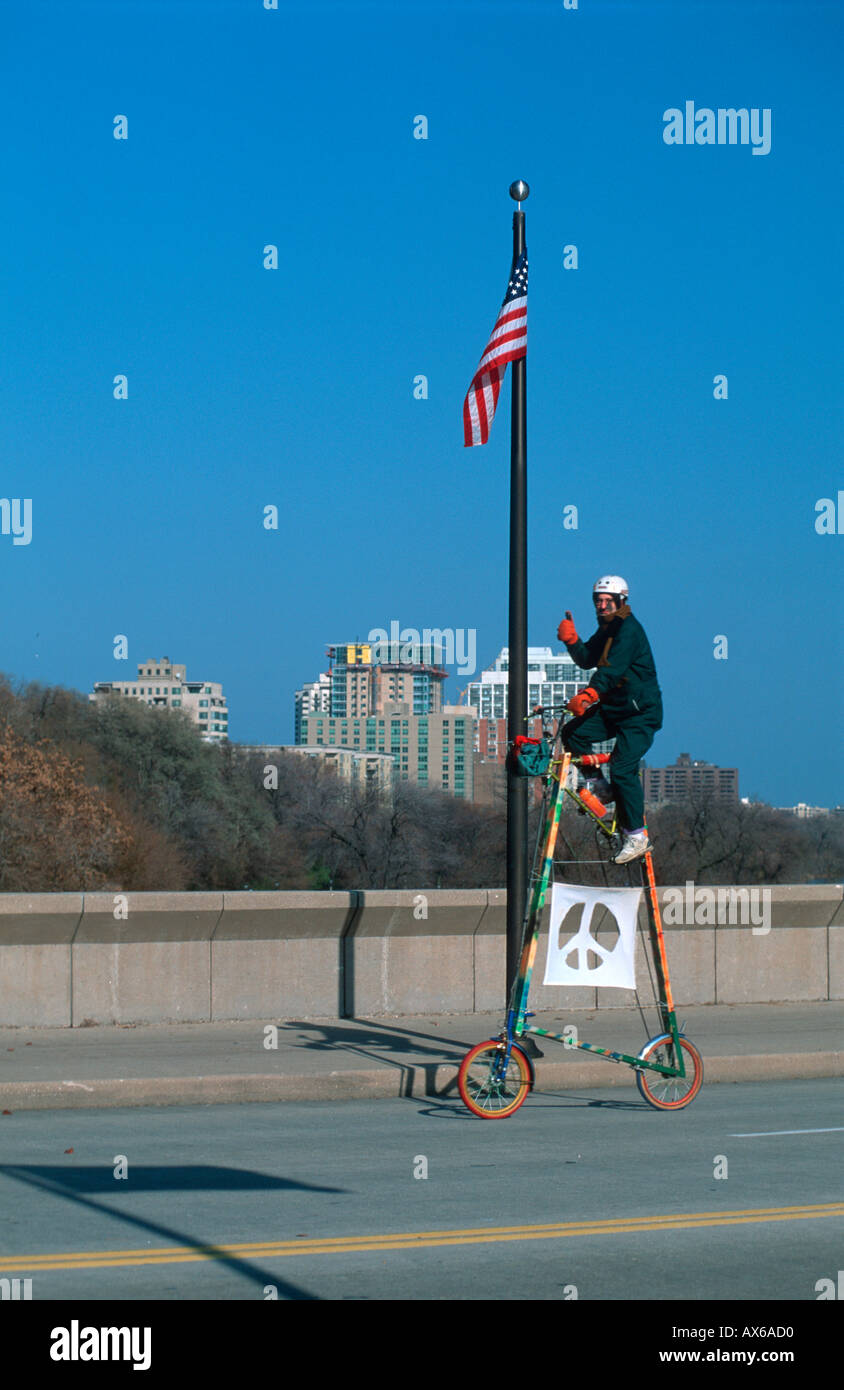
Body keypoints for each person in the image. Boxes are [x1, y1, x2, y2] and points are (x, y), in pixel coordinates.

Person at [557, 575, 663, 864]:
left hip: (639, 713)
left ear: (621, 602)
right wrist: (572, 641)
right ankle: (599, 786)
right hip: (616, 708)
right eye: (597, 601)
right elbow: (588, 658)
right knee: (574, 734)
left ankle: (636, 836)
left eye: (607, 601)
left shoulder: (628, 629)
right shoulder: (609, 627)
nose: (601, 606)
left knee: (623, 767)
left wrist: (589, 693)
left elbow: (611, 670)